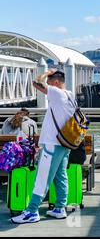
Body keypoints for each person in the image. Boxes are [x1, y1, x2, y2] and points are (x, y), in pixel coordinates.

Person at [11, 69, 76, 224]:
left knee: (42, 177)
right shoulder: (70, 95)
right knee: (60, 176)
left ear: (55, 82)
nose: (47, 85)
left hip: (52, 144)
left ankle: (32, 211)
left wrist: (47, 72)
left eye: (49, 82)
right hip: (64, 143)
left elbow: (36, 83)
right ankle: (60, 207)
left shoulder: (57, 93)